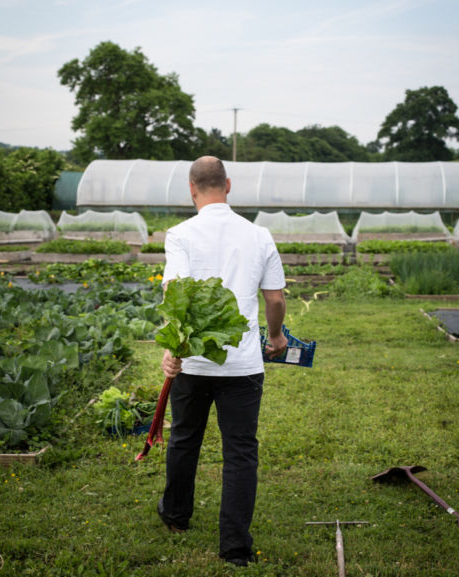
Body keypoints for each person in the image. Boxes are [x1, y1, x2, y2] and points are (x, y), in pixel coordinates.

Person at [158, 156, 288, 567]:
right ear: (228, 185)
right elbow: (275, 299)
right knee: (240, 452)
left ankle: (176, 516)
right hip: (243, 365)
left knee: (184, 438)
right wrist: (276, 336)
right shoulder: (259, 235)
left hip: (193, 363)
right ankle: (235, 547)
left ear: (191, 189)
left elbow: (174, 291)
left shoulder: (180, 234)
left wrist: (172, 346)